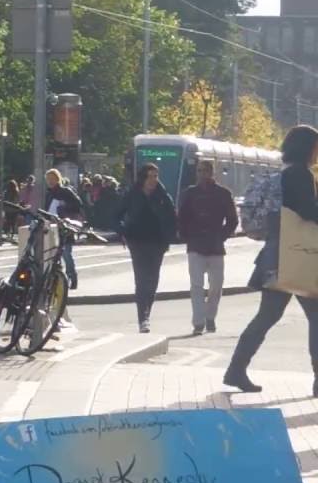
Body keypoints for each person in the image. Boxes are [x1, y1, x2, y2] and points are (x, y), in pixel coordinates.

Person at [224, 125, 318, 397]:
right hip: (298, 256)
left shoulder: (283, 173)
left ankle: (236, 369)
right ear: (306, 147)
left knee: (267, 316)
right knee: (316, 316)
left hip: (276, 255)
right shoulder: (300, 174)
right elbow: (308, 211)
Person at [177, 159, 238, 335]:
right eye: (199, 171)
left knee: (216, 285)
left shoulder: (223, 193)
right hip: (195, 245)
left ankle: (210, 316)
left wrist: (222, 236)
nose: (201, 174)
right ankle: (198, 321)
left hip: (215, 245)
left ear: (212, 173)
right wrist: (186, 235)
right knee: (196, 285)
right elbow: (182, 217)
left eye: (205, 171)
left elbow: (232, 219)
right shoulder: (190, 193)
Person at [117, 162, 177, 333]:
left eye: (155, 176)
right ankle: (143, 319)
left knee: (152, 281)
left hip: (157, 243)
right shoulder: (132, 194)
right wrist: (121, 230)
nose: (153, 180)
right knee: (141, 280)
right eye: (150, 176)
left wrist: (169, 237)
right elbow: (117, 214)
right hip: (137, 242)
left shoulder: (163, 195)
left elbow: (172, 218)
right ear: (143, 178)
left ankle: (147, 312)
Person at [44, 168, 84, 289]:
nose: (50, 181)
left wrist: (64, 206)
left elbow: (78, 204)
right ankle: (58, 280)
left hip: (65, 226)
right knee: (54, 255)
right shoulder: (49, 193)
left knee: (66, 253)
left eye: (52, 179)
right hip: (52, 226)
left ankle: (72, 276)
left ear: (58, 179)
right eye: (48, 179)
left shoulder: (66, 191)